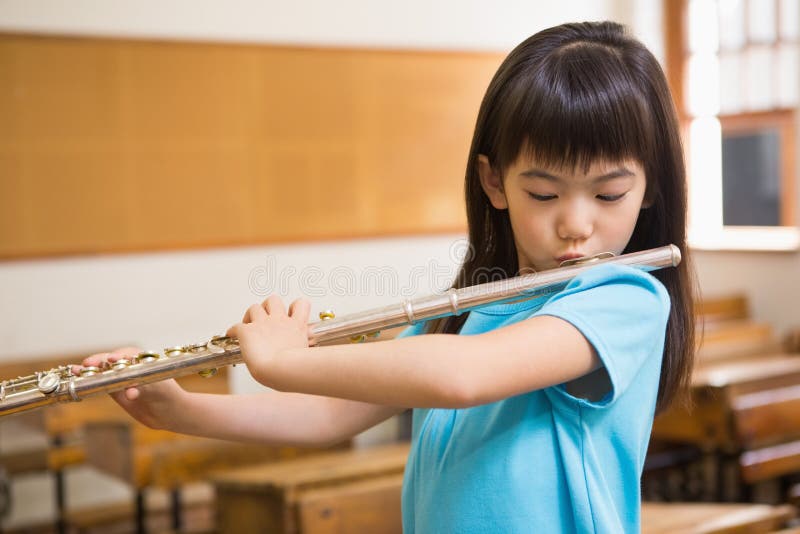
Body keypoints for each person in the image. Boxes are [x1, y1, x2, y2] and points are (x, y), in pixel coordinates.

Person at [79, 21, 696, 533]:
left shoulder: (626, 297)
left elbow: (465, 377)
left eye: (609, 193)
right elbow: (327, 417)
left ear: (647, 192)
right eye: (543, 191)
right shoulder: (467, 306)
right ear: (494, 183)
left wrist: (284, 361)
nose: (576, 225)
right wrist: (179, 411)